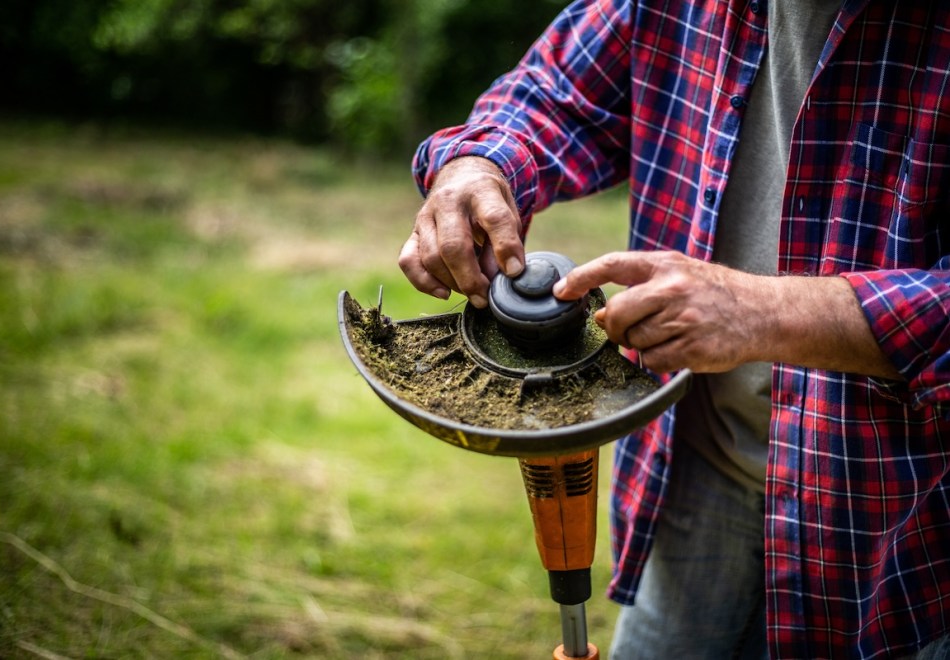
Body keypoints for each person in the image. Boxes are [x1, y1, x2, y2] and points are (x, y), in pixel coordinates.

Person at [399, 1, 950, 658]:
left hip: (898, 522)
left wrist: (766, 313)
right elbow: (552, 95)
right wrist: (477, 165)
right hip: (698, 475)